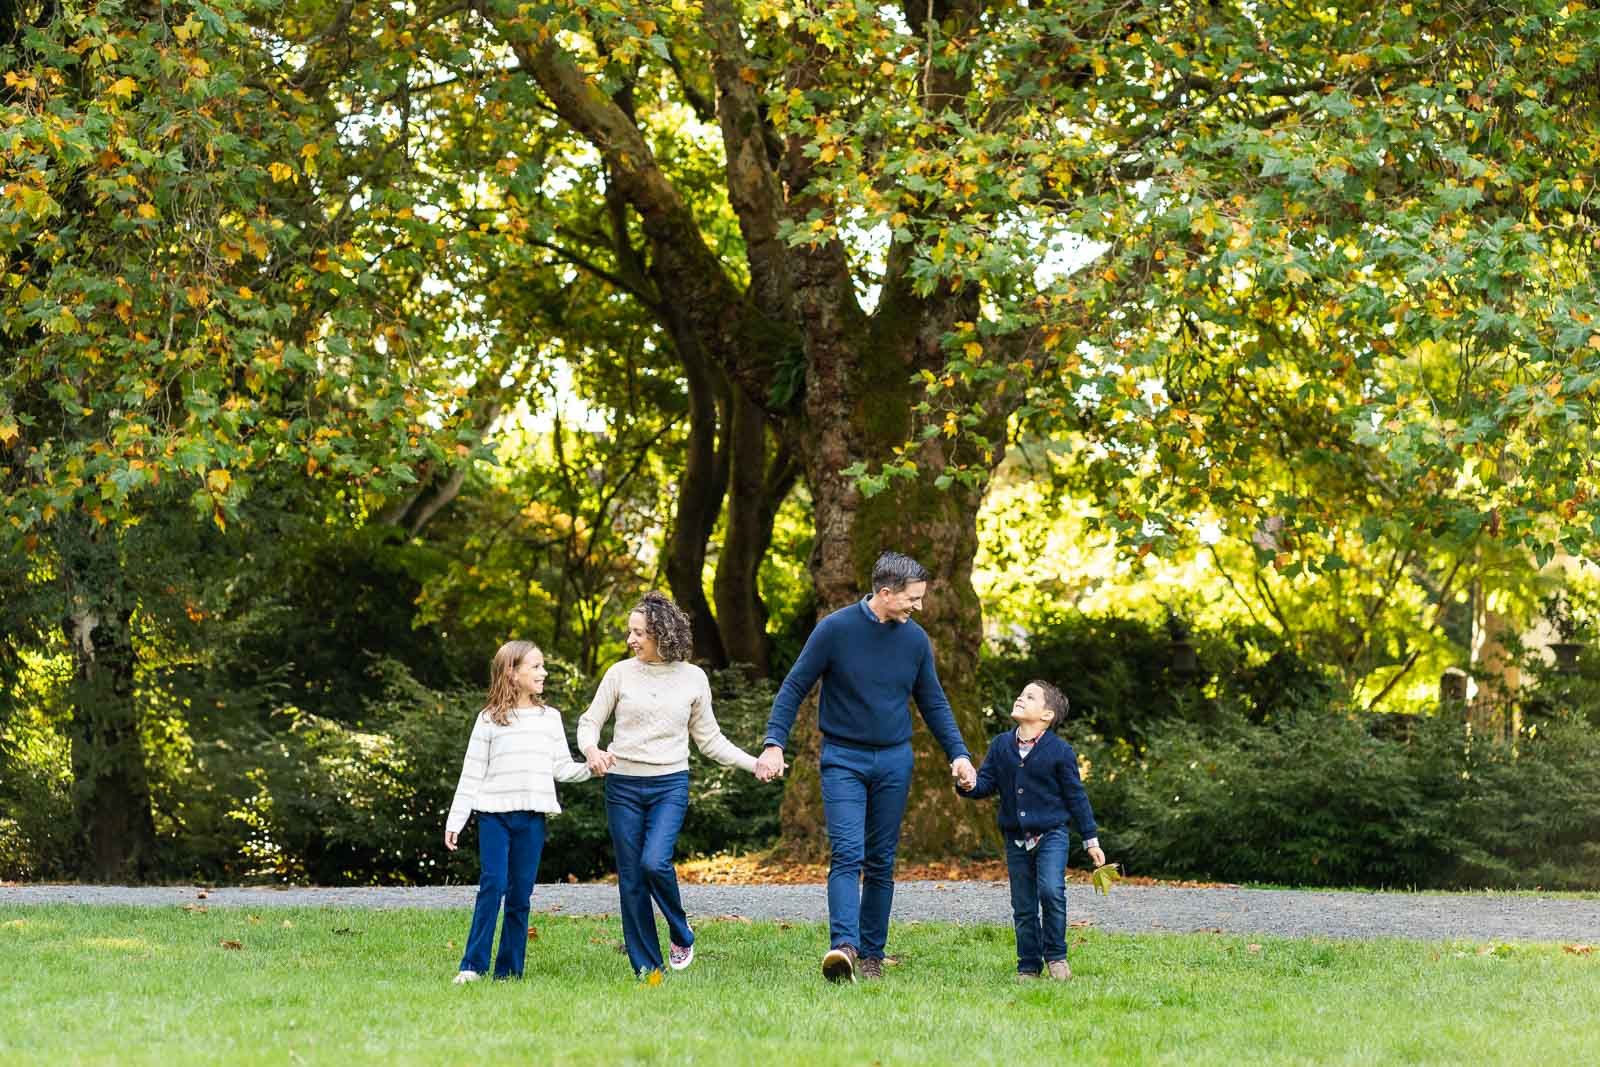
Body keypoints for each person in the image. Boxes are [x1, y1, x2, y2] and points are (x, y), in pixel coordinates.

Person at [755, 550, 976, 983]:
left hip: (895, 759)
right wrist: (773, 743)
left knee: (880, 860)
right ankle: (844, 948)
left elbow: (933, 701)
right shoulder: (835, 630)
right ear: (886, 593)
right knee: (847, 854)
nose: (919, 606)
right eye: (913, 598)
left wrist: (960, 753)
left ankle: (872, 955)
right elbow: (794, 685)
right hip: (843, 758)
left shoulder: (914, 640)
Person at [578, 591, 763, 978]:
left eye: (639, 632)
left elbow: (710, 740)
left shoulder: (693, 679)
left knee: (654, 862)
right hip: (623, 785)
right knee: (631, 880)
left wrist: (754, 763)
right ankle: (648, 968)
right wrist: (592, 750)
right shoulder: (619, 674)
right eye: (630, 632)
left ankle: (680, 931)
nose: (631, 640)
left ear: (663, 633)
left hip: (669, 785)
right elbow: (589, 722)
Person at [445, 640, 592, 983]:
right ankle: (472, 966)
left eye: (543, 666)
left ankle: (509, 971)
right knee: (492, 885)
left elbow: (562, 769)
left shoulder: (549, 718)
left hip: (532, 820)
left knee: (520, 895)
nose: (544, 672)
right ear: (512, 672)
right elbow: (471, 773)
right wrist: (456, 819)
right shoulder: (488, 720)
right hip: (493, 816)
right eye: (536, 666)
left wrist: (594, 767)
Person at [958, 679, 1104, 981]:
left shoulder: (1060, 752)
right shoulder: (1001, 746)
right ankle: (1028, 965)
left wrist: (1091, 840)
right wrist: (968, 784)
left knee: (1051, 891)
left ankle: (1056, 956)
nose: (1020, 698)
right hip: (1015, 838)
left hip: (1051, 833)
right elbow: (986, 784)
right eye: (1021, 694)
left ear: (1047, 715)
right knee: (1023, 905)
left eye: (1030, 696)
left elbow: (1076, 797)